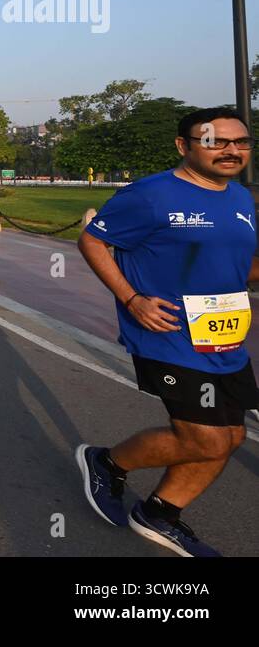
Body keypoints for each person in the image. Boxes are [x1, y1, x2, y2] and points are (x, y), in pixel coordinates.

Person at [75, 107, 259, 557]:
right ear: (184, 146)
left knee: (231, 438)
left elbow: (239, 267)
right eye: (215, 141)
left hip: (225, 336)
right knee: (207, 438)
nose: (231, 150)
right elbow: (92, 240)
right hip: (168, 332)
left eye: (240, 141)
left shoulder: (240, 198)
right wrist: (132, 298)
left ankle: (160, 512)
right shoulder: (151, 195)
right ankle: (106, 462)